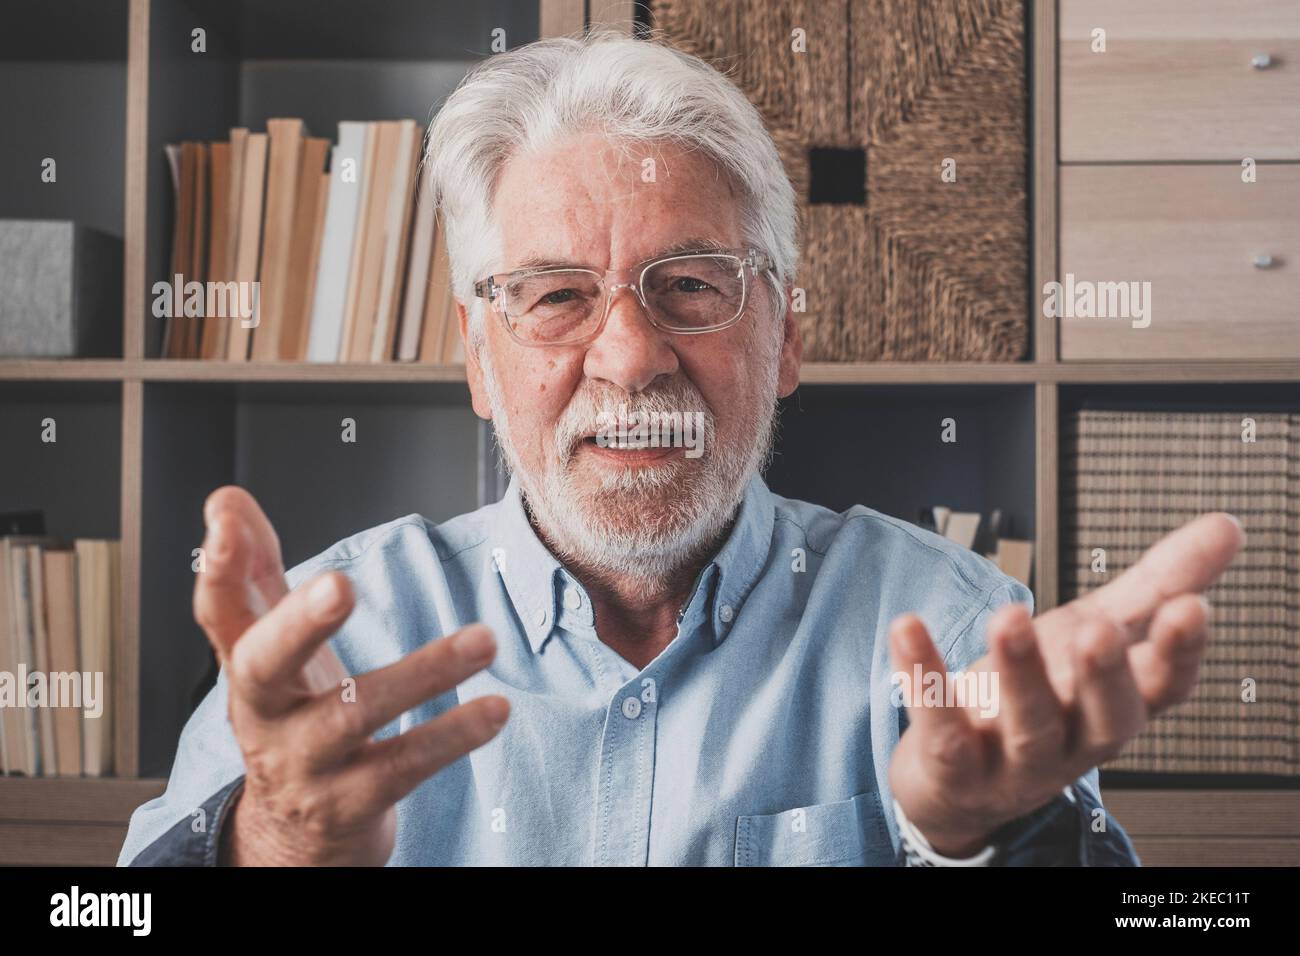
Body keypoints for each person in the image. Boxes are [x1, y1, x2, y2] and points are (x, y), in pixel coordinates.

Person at [119, 31, 1243, 866]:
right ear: (475, 355)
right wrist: (268, 837)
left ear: (786, 333)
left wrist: (990, 836)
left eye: (692, 285)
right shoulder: (322, 644)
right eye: (556, 294)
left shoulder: (952, 629)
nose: (630, 355)